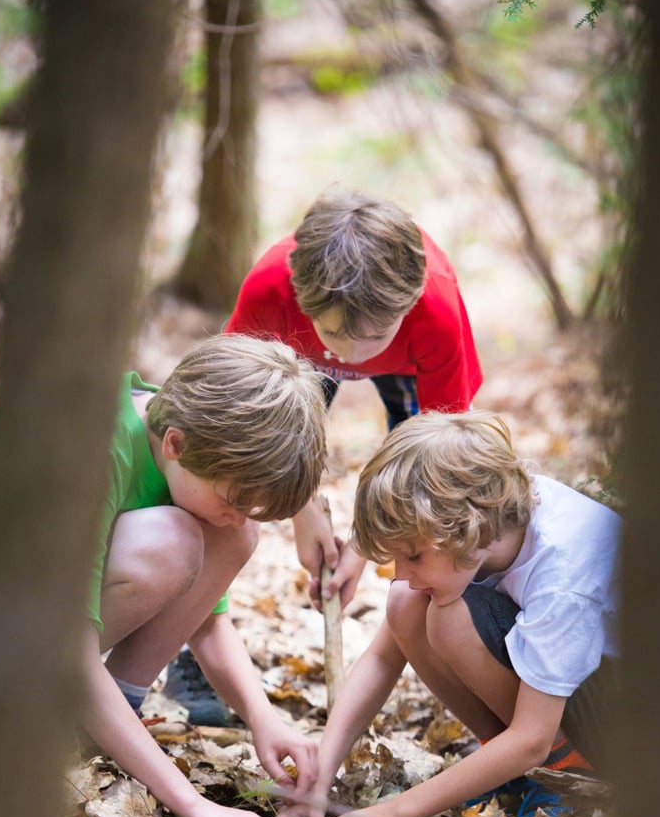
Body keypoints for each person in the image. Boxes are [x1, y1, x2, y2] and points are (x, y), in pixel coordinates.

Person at [0, 334, 328, 817]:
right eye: (235, 497)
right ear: (175, 443)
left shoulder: (179, 450)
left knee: (231, 534)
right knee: (174, 540)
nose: (238, 513)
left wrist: (263, 719)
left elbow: (208, 623)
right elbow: (68, 650)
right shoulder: (92, 448)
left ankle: (92, 732)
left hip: (23, 621)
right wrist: (192, 805)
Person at [165, 188, 483, 723]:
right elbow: (233, 421)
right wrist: (301, 507)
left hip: (408, 367)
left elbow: (438, 454)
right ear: (300, 293)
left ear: (407, 304)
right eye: (336, 334)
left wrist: (365, 539)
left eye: (375, 337)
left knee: (438, 489)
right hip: (296, 356)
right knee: (228, 470)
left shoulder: (437, 310)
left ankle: (475, 654)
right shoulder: (270, 289)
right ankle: (189, 646)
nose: (353, 356)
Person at [278, 411, 621, 817]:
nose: (400, 570)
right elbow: (384, 656)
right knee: (406, 602)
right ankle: (506, 771)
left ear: (470, 529)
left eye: (413, 555)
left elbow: (531, 738)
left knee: (451, 617)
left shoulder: (563, 575)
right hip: (587, 696)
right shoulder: (486, 530)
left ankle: (566, 772)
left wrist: (392, 812)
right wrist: (318, 778)